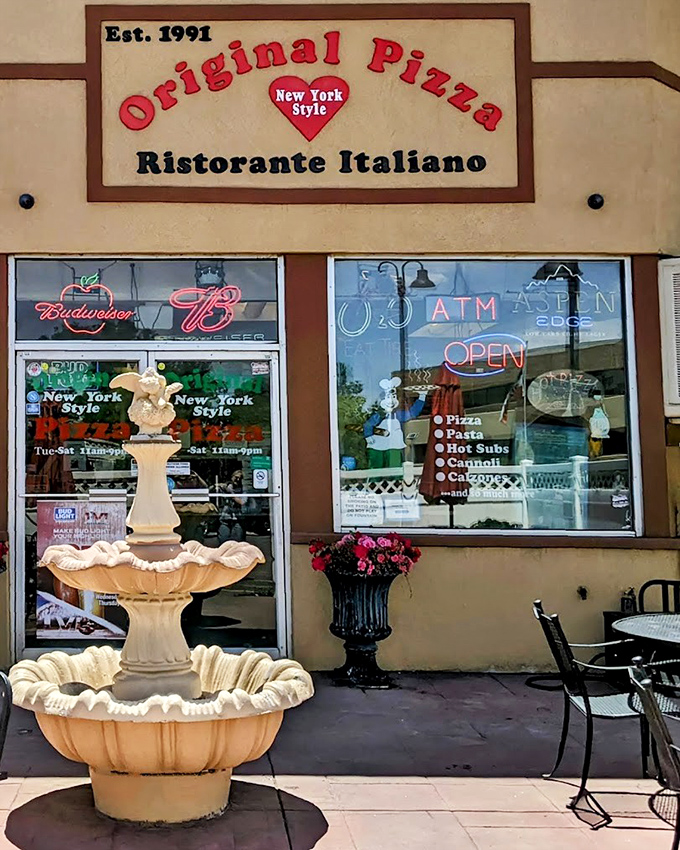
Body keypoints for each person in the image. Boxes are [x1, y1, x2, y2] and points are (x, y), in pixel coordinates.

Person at [218, 469, 247, 543]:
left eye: (240, 478)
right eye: (236, 477)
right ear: (232, 477)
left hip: (238, 519)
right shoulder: (226, 486)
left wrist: (231, 493)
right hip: (225, 518)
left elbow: (242, 502)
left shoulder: (244, 490)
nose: (237, 479)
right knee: (223, 541)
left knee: (237, 543)